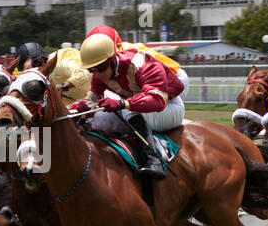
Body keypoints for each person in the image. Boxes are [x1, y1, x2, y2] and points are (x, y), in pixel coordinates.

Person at [69, 30, 185, 180]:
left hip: (169, 106)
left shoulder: (141, 64)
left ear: (112, 59)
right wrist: (76, 109)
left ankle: (154, 159)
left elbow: (157, 101)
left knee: (125, 112)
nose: (97, 74)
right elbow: (92, 100)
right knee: (100, 118)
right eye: (92, 69)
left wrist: (122, 103)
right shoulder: (99, 75)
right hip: (143, 109)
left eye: (101, 67)